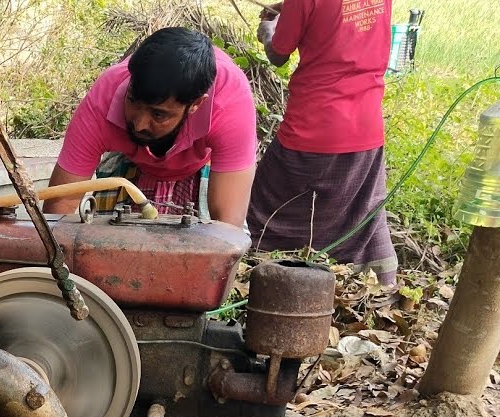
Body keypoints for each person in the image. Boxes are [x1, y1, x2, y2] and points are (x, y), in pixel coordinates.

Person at [44, 27, 258, 227]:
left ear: (195, 105)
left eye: (158, 114)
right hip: (131, 163)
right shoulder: (104, 97)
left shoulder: (230, 102)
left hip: (201, 166)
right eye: (132, 102)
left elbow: (228, 226)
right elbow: (59, 208)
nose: (138, 124)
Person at [249, 0, 396, 285]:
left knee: (262, 214)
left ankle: (262, 283)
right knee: (363, 213)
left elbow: (278, 55)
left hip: (314, 127)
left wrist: (268, 29)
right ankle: (382, 290)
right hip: (367, 126)